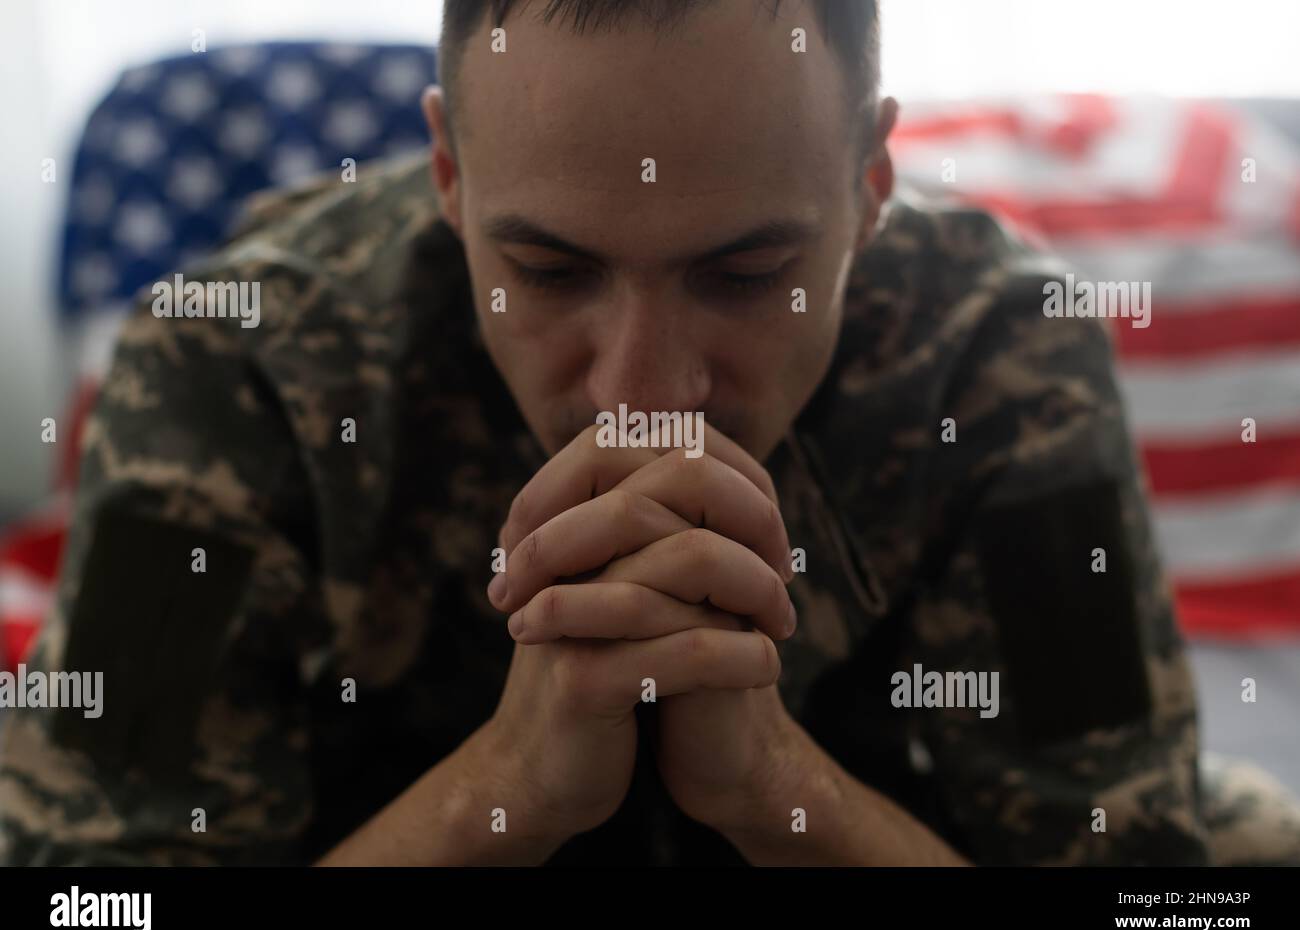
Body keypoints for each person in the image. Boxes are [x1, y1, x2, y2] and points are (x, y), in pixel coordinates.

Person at [2, 0, 1296, 866]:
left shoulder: (1005, 355)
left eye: (745, 277)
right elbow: (90, 890)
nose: (646, 389)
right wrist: (500, 791)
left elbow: (1135, 878)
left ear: (870, 186)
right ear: (449, 174)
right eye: (552, 274)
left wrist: (779, 794)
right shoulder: (237, 363)